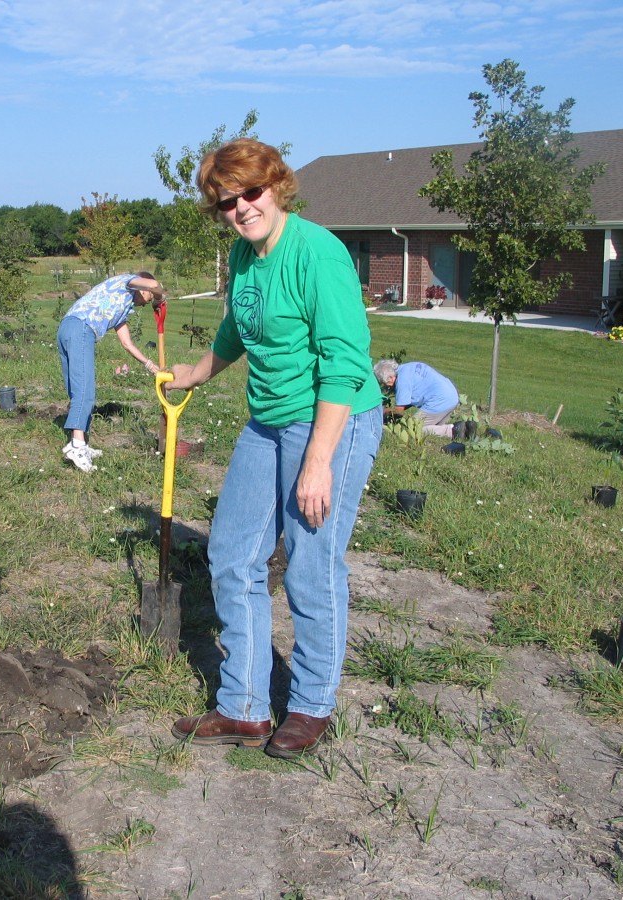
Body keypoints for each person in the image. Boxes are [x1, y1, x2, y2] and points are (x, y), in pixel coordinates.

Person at [165, 138, 383, 758]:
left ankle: (312, 705)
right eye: (227, 201)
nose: (241, 208)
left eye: (250, 193)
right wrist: (196, 371)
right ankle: (245, 708)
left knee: (312, 567)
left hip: (332, 422)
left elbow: (344, 361)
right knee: (232, 556)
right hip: (267, 422)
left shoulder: (318, 254)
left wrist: (318, 463)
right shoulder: (242, 257)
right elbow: (239, 328)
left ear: (276, 186)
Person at [57, 272, 165, 472]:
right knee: (85, 392)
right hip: (81, 327)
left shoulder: (121, 307)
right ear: (143, 289)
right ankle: (77, 447)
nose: (145, 304)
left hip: (68, 326)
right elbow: (154, 284)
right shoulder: (126, 282)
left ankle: (80, 442)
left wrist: (150, 365)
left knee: (77, 389)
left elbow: (127, 344)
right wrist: (159, 297)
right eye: (147, 298)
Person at [372, 359, 461, 436]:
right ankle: (462, 428)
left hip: (440, 400)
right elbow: (407, 401)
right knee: (435, 427)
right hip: (452, 396)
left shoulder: (402, 381)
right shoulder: (407, 368)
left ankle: (454, 431)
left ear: (391, 378)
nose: (386, 387)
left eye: (384, 383)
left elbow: (399, 411)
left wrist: (383, 411)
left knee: (413, 429)